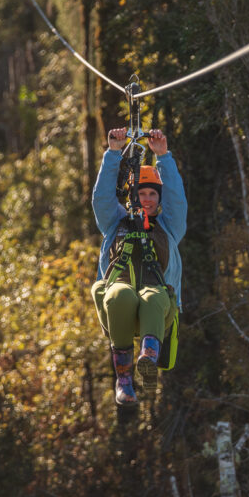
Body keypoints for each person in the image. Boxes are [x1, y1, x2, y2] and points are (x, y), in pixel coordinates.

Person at [91, 127, 187, 406]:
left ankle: (148, 356)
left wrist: (163, 156)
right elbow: (101, 199)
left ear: (159, 198)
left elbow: (178, 200)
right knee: (120, 294)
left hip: (156, 311)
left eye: (152, 194)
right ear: (132, 196)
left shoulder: (169, 227)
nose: (146, 199)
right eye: (141, 193)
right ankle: (123, 379)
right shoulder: (114, 223)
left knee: (155, 297)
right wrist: (113, 153)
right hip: (118, 306)